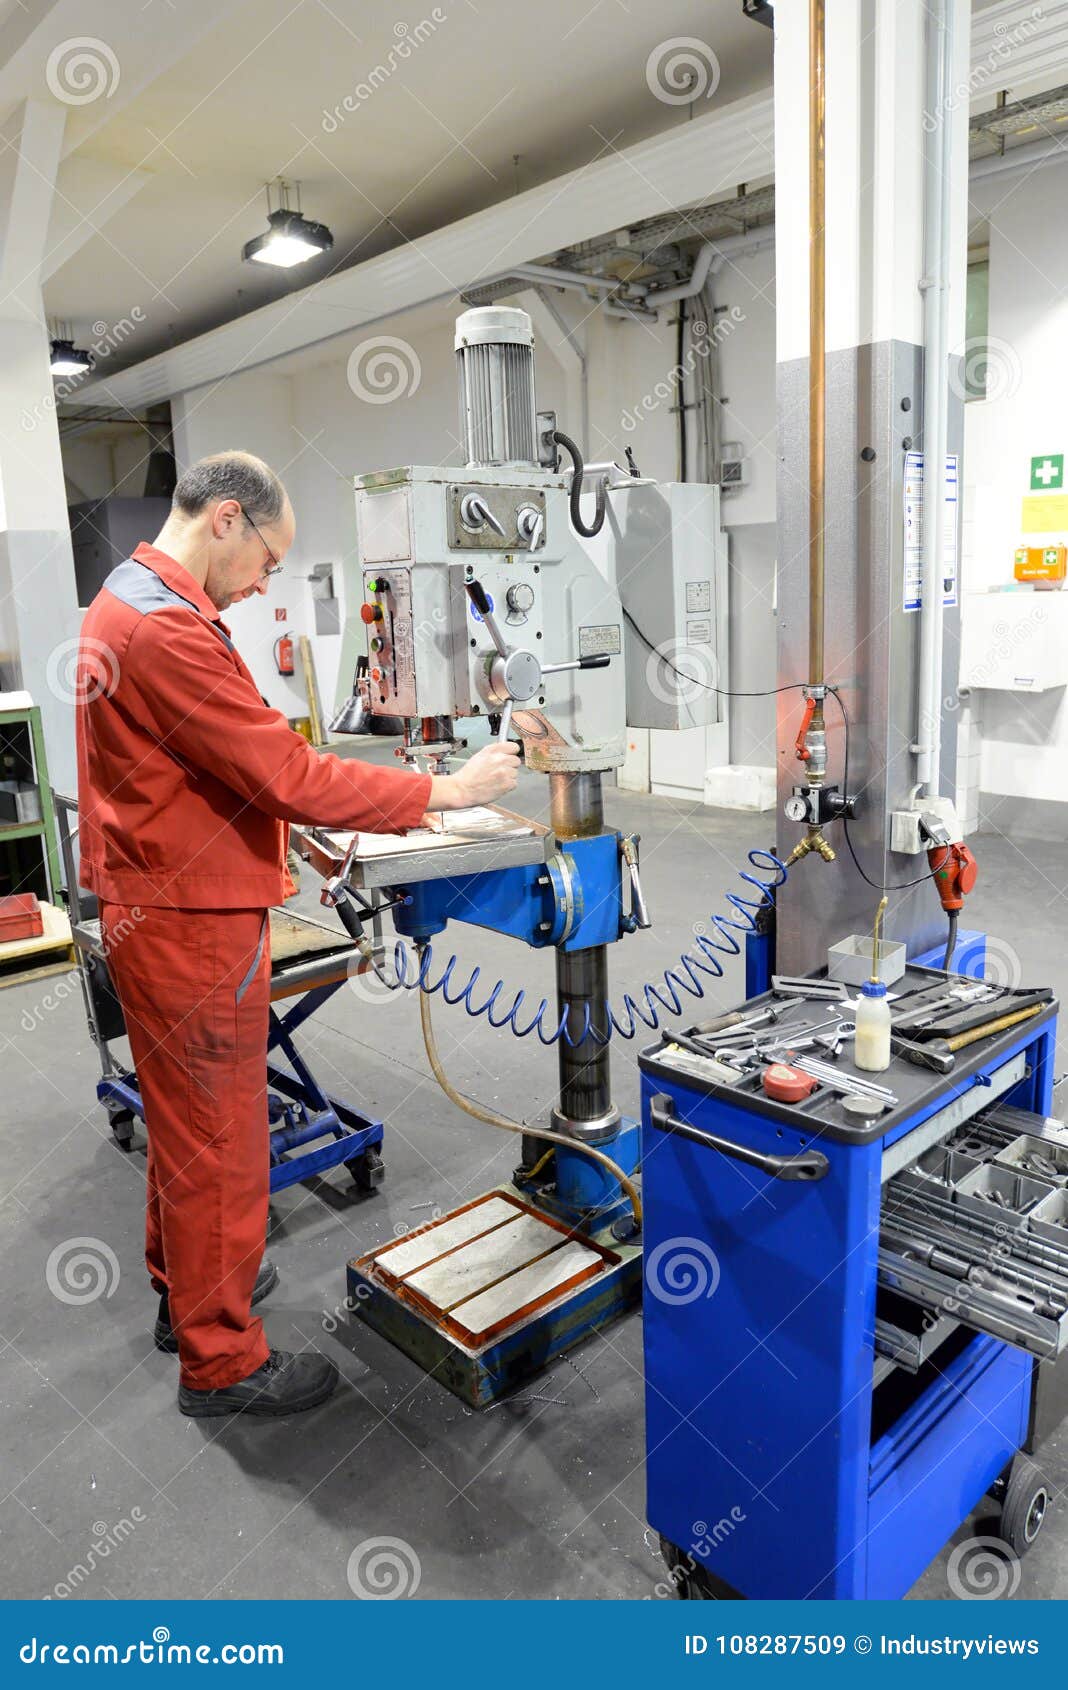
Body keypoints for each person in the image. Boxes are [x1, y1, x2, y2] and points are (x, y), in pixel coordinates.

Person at [75, 450, 519, 1419]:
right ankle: (222, 1360)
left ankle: (187, 1293)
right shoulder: (167, 631)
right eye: (268, 561)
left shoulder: (131, 598)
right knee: (222, 1143)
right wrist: (447, 791)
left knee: (183, 1128)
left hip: (159, 908)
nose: (263, 584)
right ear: (226, 519)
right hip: (191, 927)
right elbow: (285, 772)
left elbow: (215, 770)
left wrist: (294, 835)